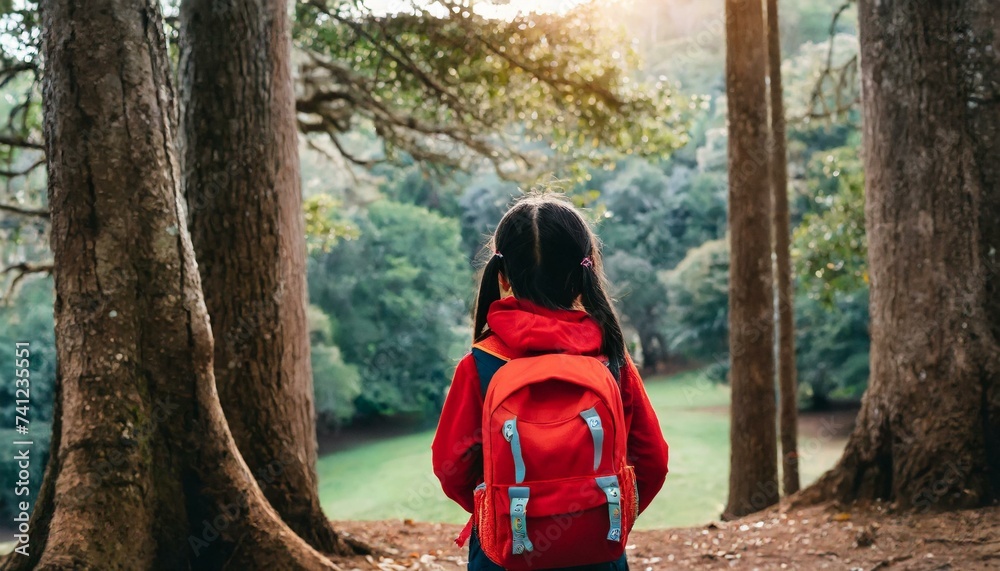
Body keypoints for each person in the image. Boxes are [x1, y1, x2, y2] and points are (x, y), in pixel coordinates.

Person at [432, 193, 669, 571]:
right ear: (583, 274)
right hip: (598, 550)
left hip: (505, 554)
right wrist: (598, 515)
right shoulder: (610, 358)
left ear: (503, 276)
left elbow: (451, 466)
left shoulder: (479, 364)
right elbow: (652, 460)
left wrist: (502, 509)